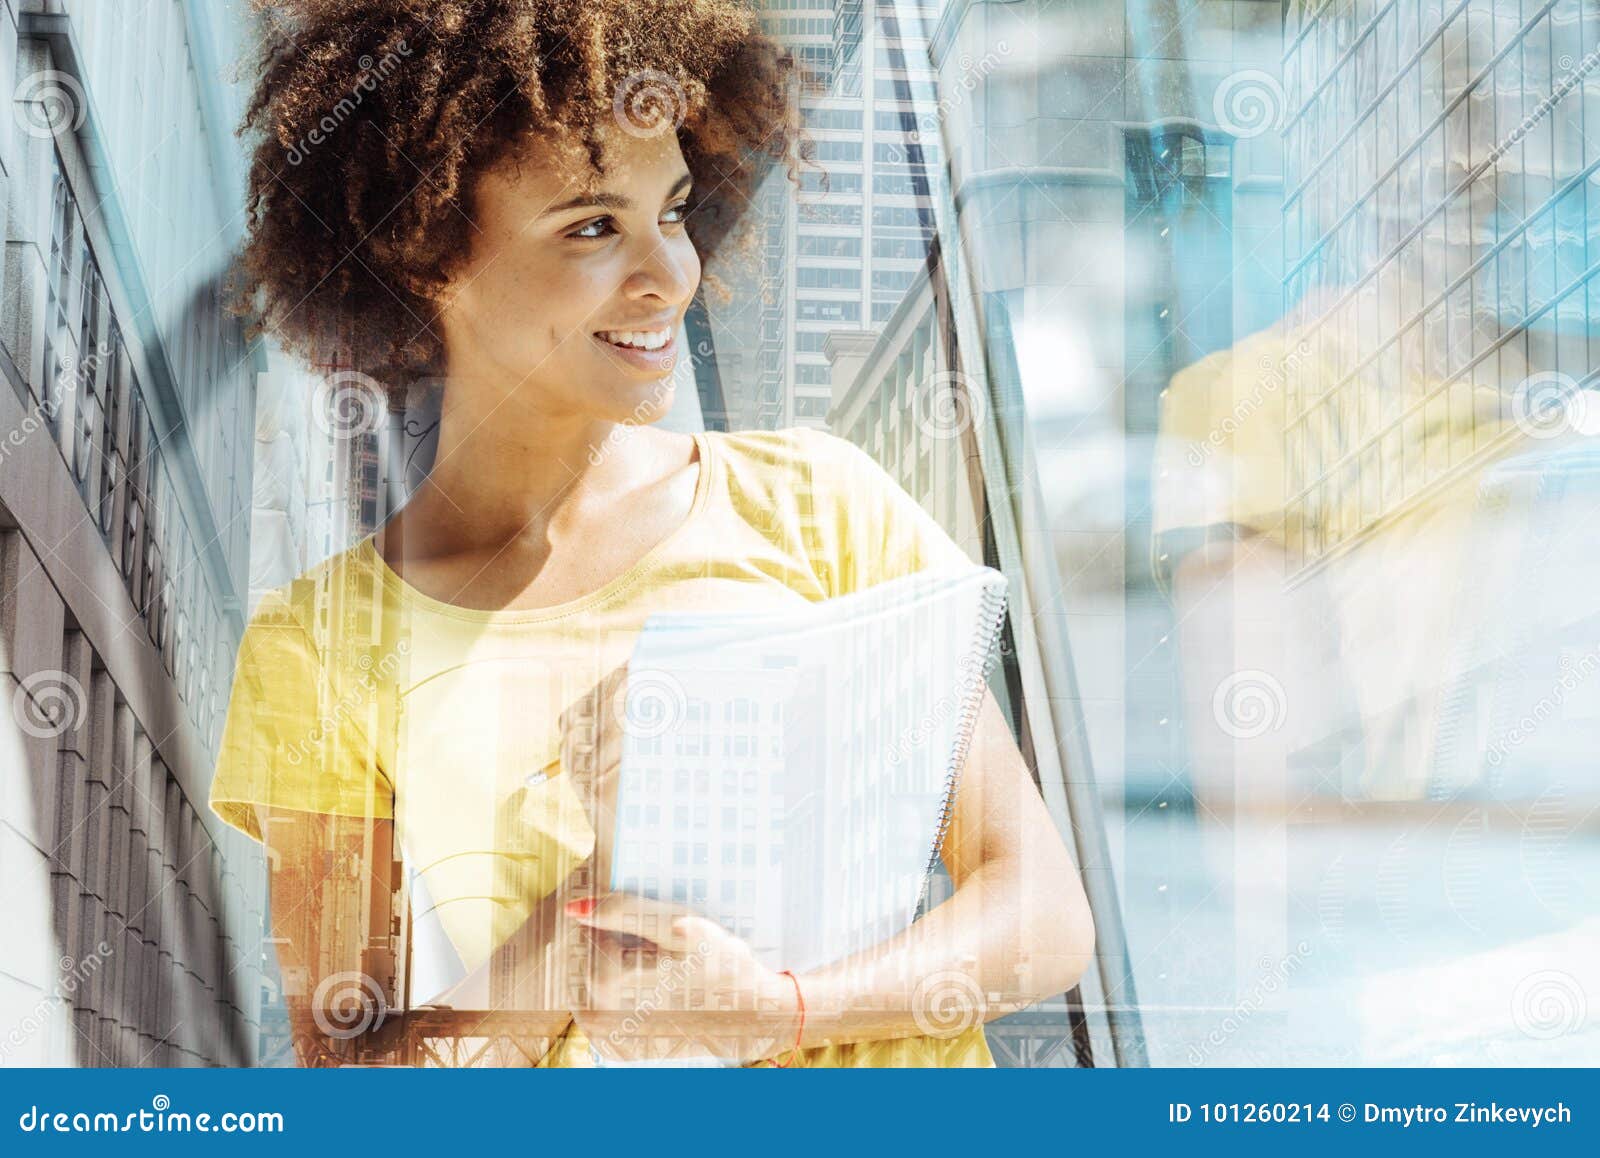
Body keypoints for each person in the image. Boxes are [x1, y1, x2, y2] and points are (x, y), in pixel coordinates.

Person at [210, 0, 1094, 1067]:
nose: (668, 276)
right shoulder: (322, 645)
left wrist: (783, 1011)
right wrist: (589, 899)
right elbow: (352, 1077)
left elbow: (1041, 915)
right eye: (591, 225)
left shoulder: (820, 506)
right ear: (423, 250)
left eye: (671, 212)